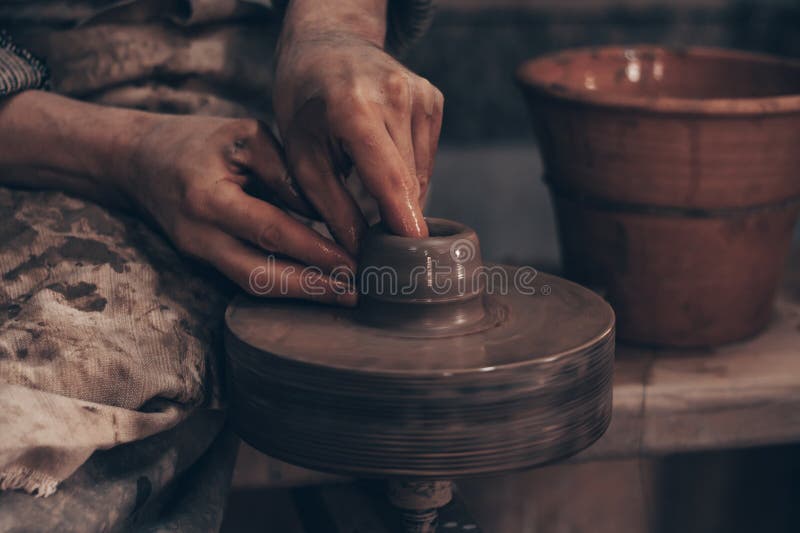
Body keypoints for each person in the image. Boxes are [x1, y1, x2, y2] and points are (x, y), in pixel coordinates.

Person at [0, 1, 441, 529]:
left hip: (289, 127)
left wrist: (335, 28)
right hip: (40, 127)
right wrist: (132, 152)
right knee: (80, 369)